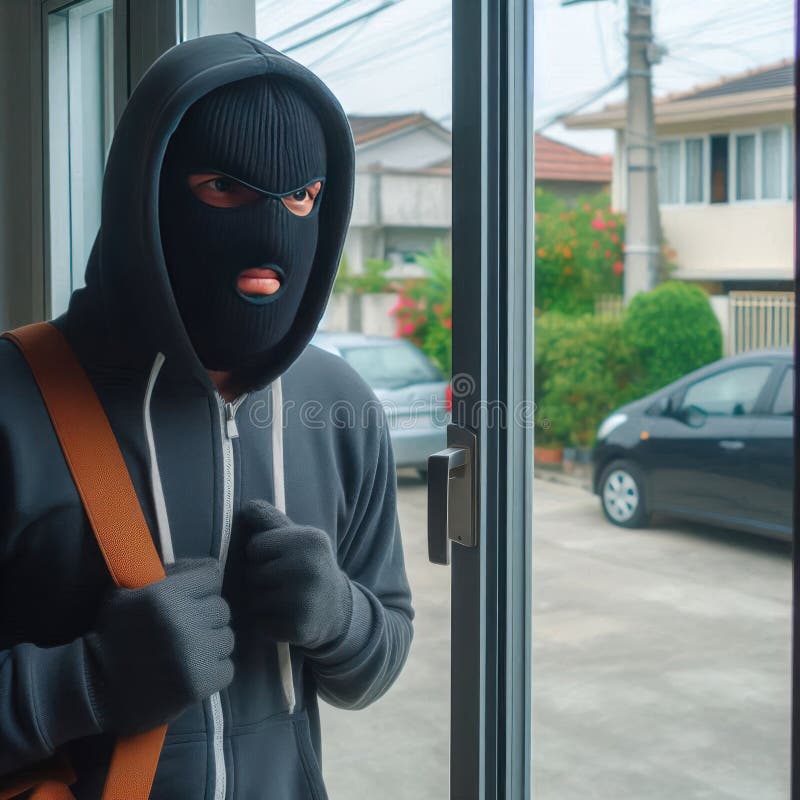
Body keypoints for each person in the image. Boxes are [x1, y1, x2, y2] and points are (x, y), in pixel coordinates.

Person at [0, 32, 414, 799]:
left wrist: (339, 617)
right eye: (223, 185)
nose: (271, 230)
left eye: (301, 198)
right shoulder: (11, 400)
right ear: (143, 191)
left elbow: (380, 658)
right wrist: (87, 681)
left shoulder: (342, 407)